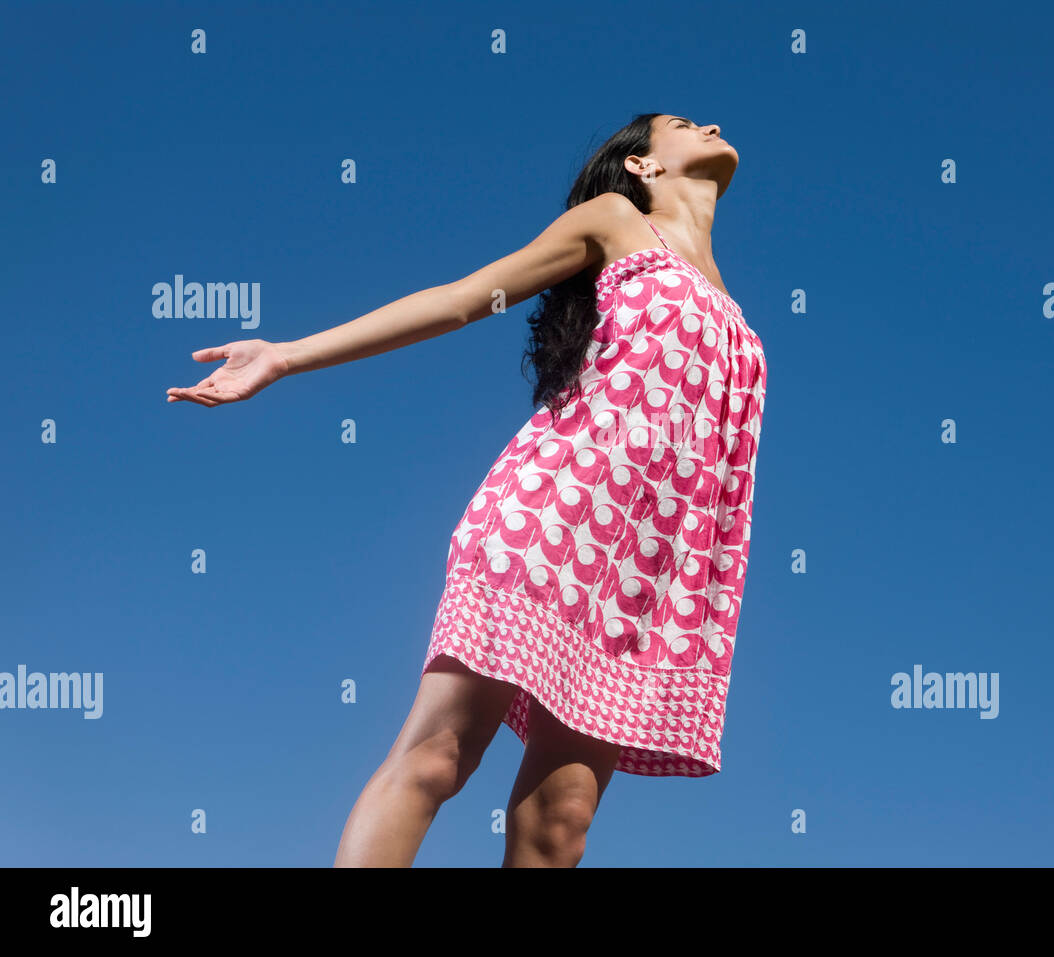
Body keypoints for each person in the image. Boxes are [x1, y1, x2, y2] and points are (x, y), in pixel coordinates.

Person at [166, 113, 767, 867]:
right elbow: (461, 299)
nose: (711, 123)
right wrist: (285, 356)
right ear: (643, 167)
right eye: (683, 124)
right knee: (440, 755)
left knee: (563, 819)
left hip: (641, 579)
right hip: (555, 515)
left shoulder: (735, 312)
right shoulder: (618, 223)